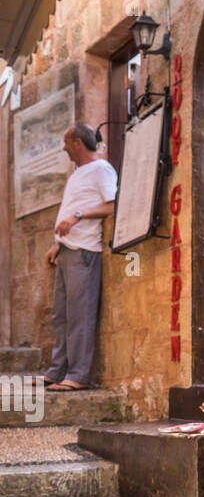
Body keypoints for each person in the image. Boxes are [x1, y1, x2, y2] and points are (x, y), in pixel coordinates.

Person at [44, 122, 117, 391]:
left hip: (85, 250)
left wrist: (77, 217)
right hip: (66, 249)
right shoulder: (78, 173)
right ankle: (56, 371)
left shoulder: (102, 168)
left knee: (79, 315)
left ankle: (77, 375)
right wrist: (56, 244)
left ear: (78, 143)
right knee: (61, 316)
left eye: (67, 142)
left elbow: (112, 204)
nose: (64, 148)